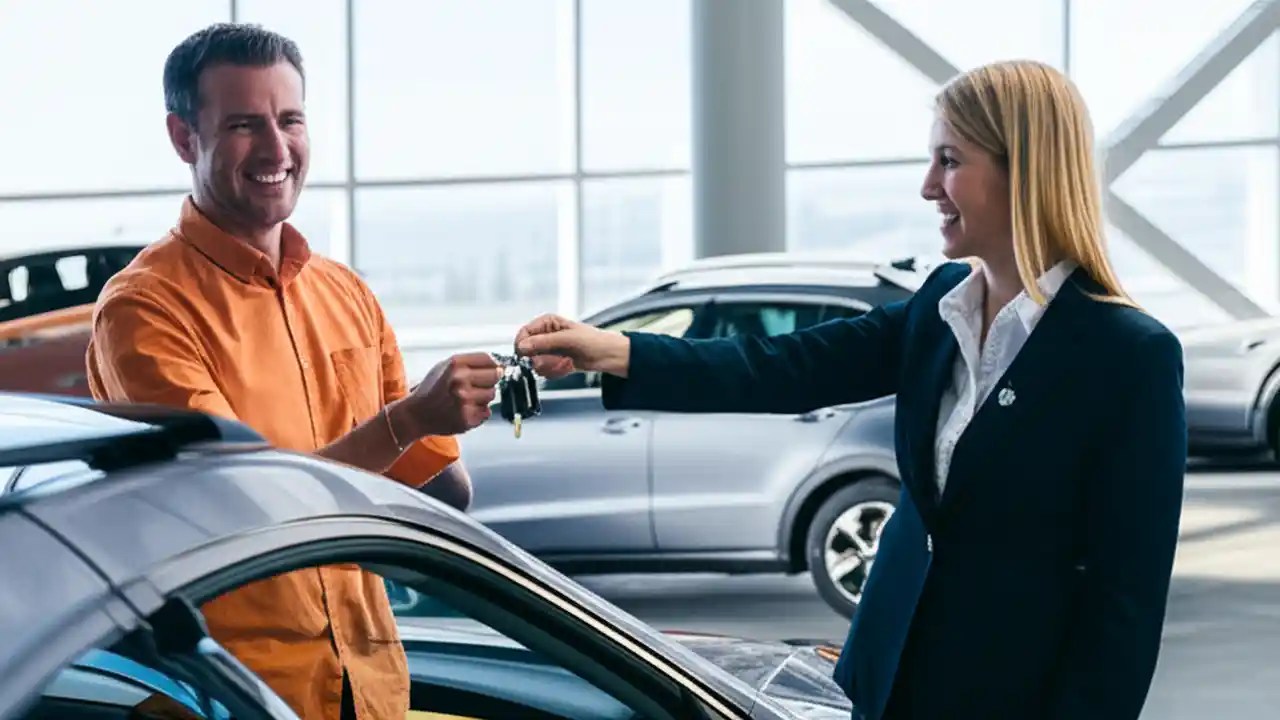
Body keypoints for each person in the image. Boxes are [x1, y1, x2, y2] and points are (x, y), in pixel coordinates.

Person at [513, 60, 1186, 720]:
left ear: (1025, 171)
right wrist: (616, 351)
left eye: (950, 160)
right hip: (885, 678)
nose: (928, 187)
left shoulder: (1129, 356)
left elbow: (1122, 609)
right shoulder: (940, 306)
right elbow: (784, 365)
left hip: (1010, 694)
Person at [86, 23, 501, 720]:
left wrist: (454, 418)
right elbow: (252, 515)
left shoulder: (346, 295)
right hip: (232, 696)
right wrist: (406, 422)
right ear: (184, 138)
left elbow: (441, 496)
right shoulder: (144, 311)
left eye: (290, 120)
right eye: (246, 125)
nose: (278, 150)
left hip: (369, 686)